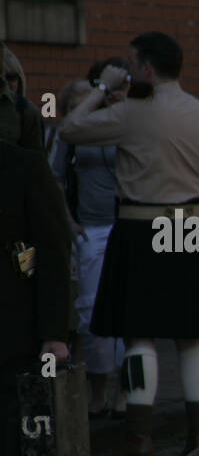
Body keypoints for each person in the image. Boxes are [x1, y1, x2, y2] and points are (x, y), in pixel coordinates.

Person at [58, 31, 199, 456]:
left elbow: (70, 128)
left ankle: (140, 440)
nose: (130, 71)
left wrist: (101, 88)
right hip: (192, 228)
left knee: (141, 337)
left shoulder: (133, 113)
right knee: (193, 339)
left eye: (133, 64)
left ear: (149, 68)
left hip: (141, 228)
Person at [0, 140, 72, 456]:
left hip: (14, 329)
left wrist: (54, 334)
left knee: (16, 436)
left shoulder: (23, 167)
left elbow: (53, 248)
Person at [49, 60, 131, 418]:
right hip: (89, 227)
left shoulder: (123, 121)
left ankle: (126, 392)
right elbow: (56, 177)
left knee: (130, 314)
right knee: (90, 314)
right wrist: (68, 220)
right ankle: (98, 388)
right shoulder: (74, 132)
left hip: (126, 223)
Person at [0, 42, 43, 150]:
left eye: (11, 77)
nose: (5, 82)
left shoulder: (27, 112)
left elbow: (35, 162)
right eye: (1, 76)